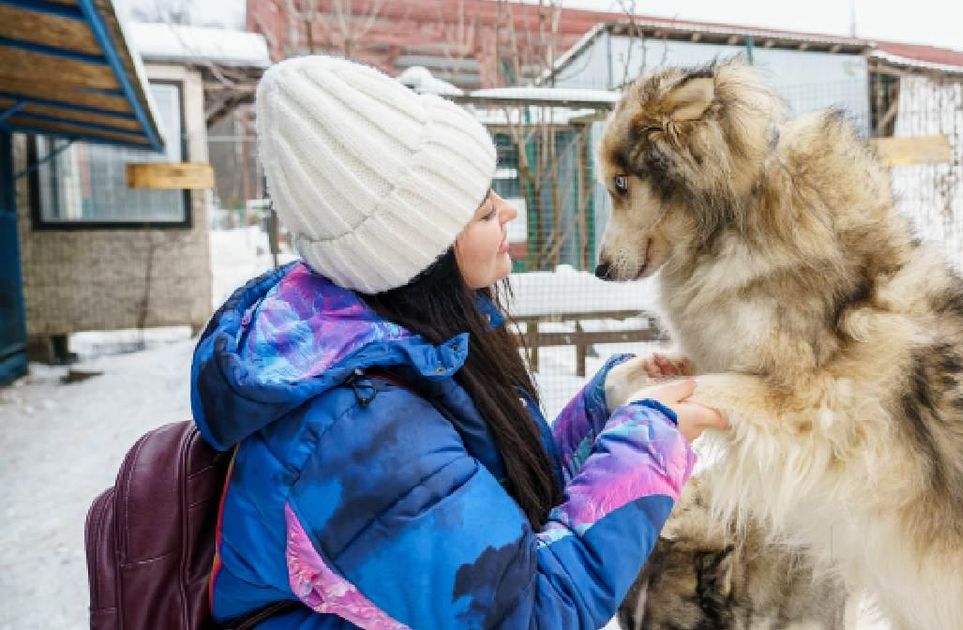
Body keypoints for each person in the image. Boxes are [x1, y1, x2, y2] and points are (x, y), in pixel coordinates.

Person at [190, 55, 727, 630]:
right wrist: (648, 442)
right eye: (482, 209)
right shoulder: (357, 434)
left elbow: (494, 506)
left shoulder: (402, 342)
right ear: (419, 254)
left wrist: (609, 403)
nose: (508, 211)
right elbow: (529, 612)